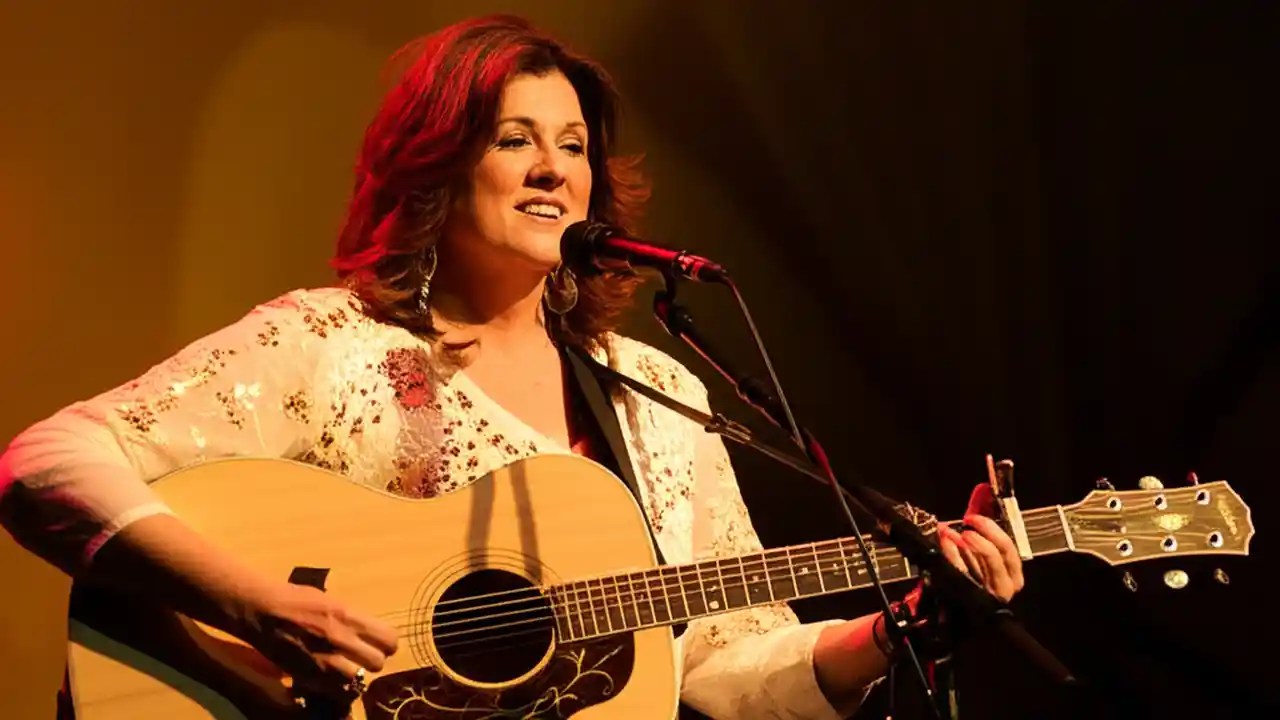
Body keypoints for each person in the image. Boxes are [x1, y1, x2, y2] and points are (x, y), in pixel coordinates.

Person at [0, 14, 1023, 719]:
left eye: (573, 145)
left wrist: (888, 634)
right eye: (513, 139)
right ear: (436, 166)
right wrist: (255, 606)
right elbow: (43, 465)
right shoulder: (327, 346)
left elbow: (716, 668)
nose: (553, 168)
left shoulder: (660, 397)